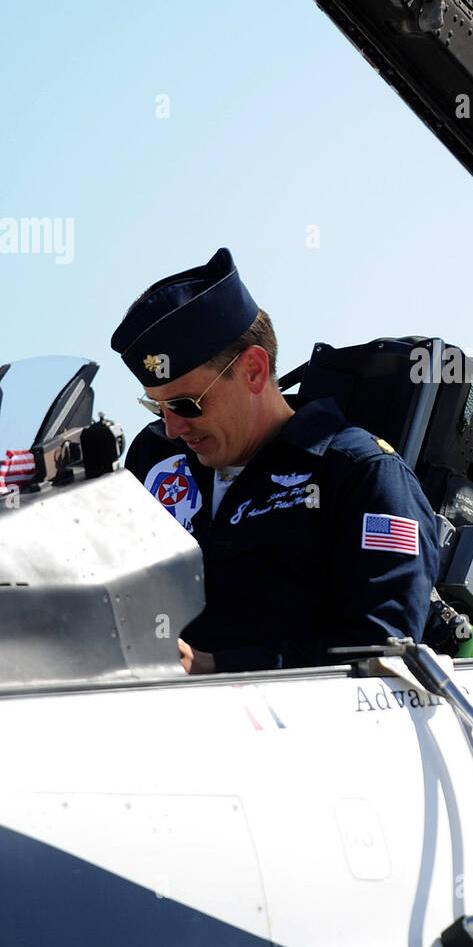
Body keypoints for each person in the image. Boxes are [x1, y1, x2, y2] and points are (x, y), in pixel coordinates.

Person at [111, 248, 440, 674]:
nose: (173, 428)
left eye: (187, 404)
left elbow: (383, 650)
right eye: (157, 408)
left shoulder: (361, 476)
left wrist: (214, 667)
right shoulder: (156, 459)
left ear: (253, 370)